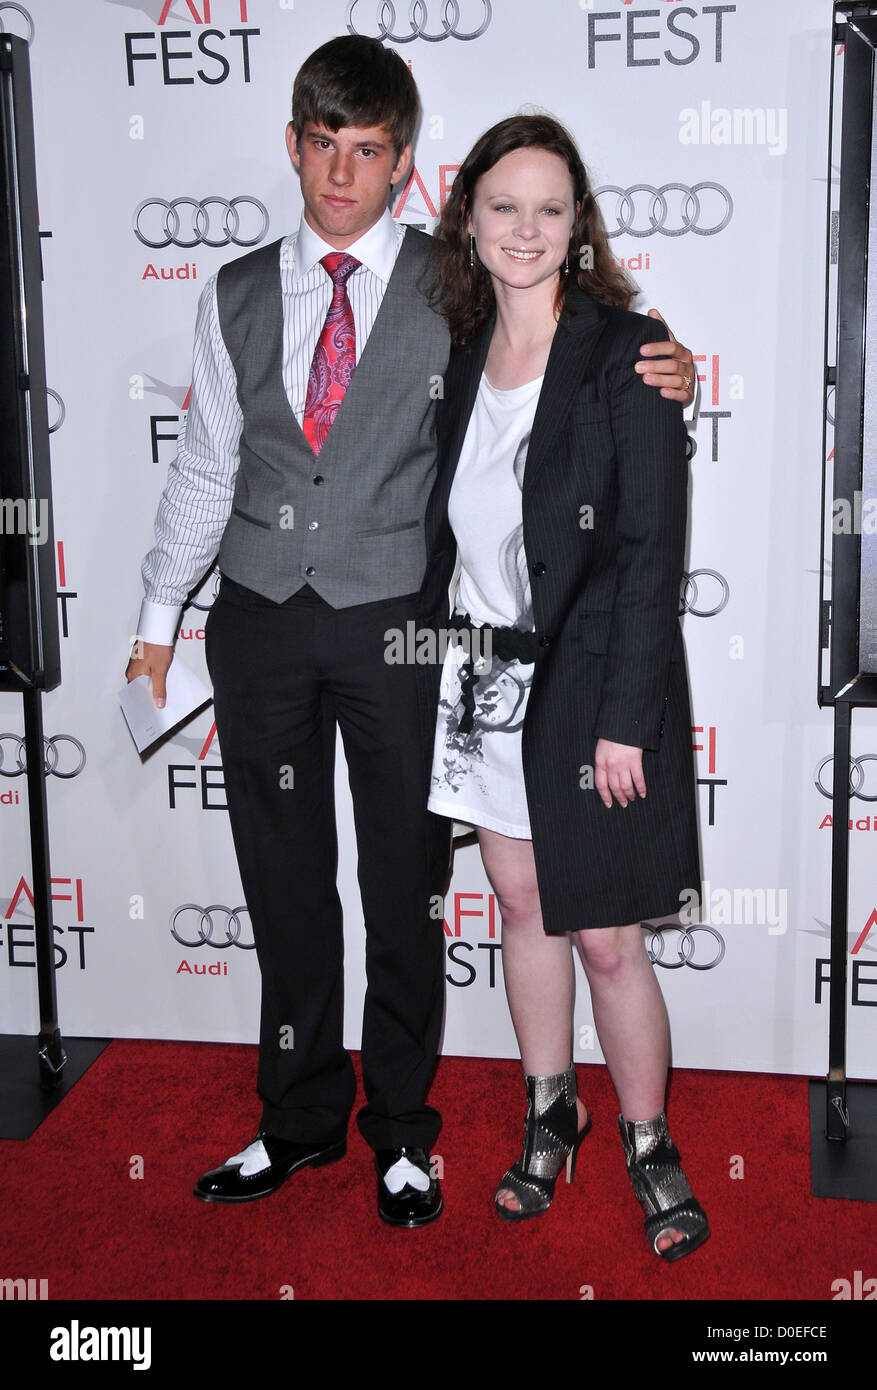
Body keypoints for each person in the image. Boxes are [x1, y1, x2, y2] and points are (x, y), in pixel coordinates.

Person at [126, 37, 696, 1227]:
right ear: (292, 146)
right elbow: (203, 468)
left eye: (368, 148)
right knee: (286, 886)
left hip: (407, 635)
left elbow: (581, 366)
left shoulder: (449, 284)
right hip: (269, 622)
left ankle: (403, 1132)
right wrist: (151, 620)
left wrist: (667, 363)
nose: (342, 170)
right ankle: (295, 1117)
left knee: (405, 892)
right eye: (322, 143)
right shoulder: (238, 291)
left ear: (402, 166)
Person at [419, 114, 708, 1260]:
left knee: (605, 939)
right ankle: (552, 1111)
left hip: (592, 695)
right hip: (481, 688)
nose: (526, 229)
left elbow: (650, 552)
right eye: (504, 206)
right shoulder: (455, 351)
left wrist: (625, 719)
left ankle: (648, 1140)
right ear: (471, 222)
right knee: (523, 910)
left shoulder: (630, 352)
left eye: (550, 207)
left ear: (576, 223)